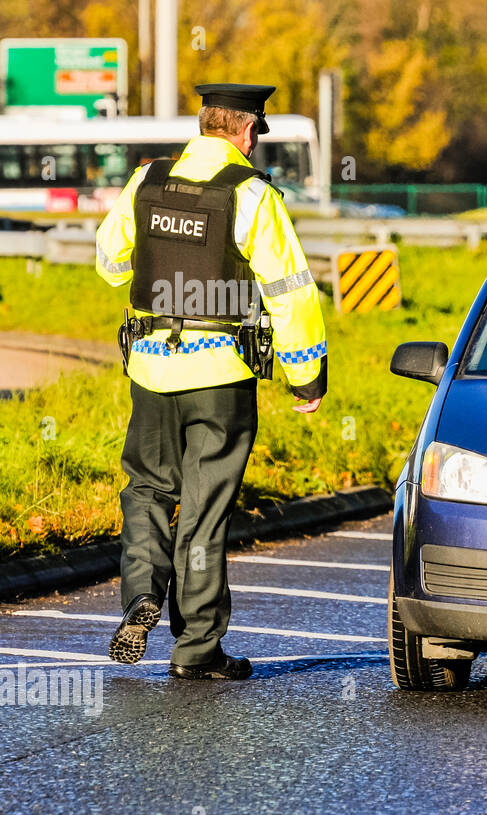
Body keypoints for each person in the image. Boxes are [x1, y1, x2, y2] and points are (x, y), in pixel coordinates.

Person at [95, 83, 327, 681]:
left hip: (150, 367)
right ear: (247, 131)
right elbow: (290, 293)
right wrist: (306, 379)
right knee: (203, 509)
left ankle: (142, 593)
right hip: (221, 376)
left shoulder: (147, 180)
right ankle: (197, 648)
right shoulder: (250, 193)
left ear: (204, 124)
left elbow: (109, 261)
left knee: (147, 488)